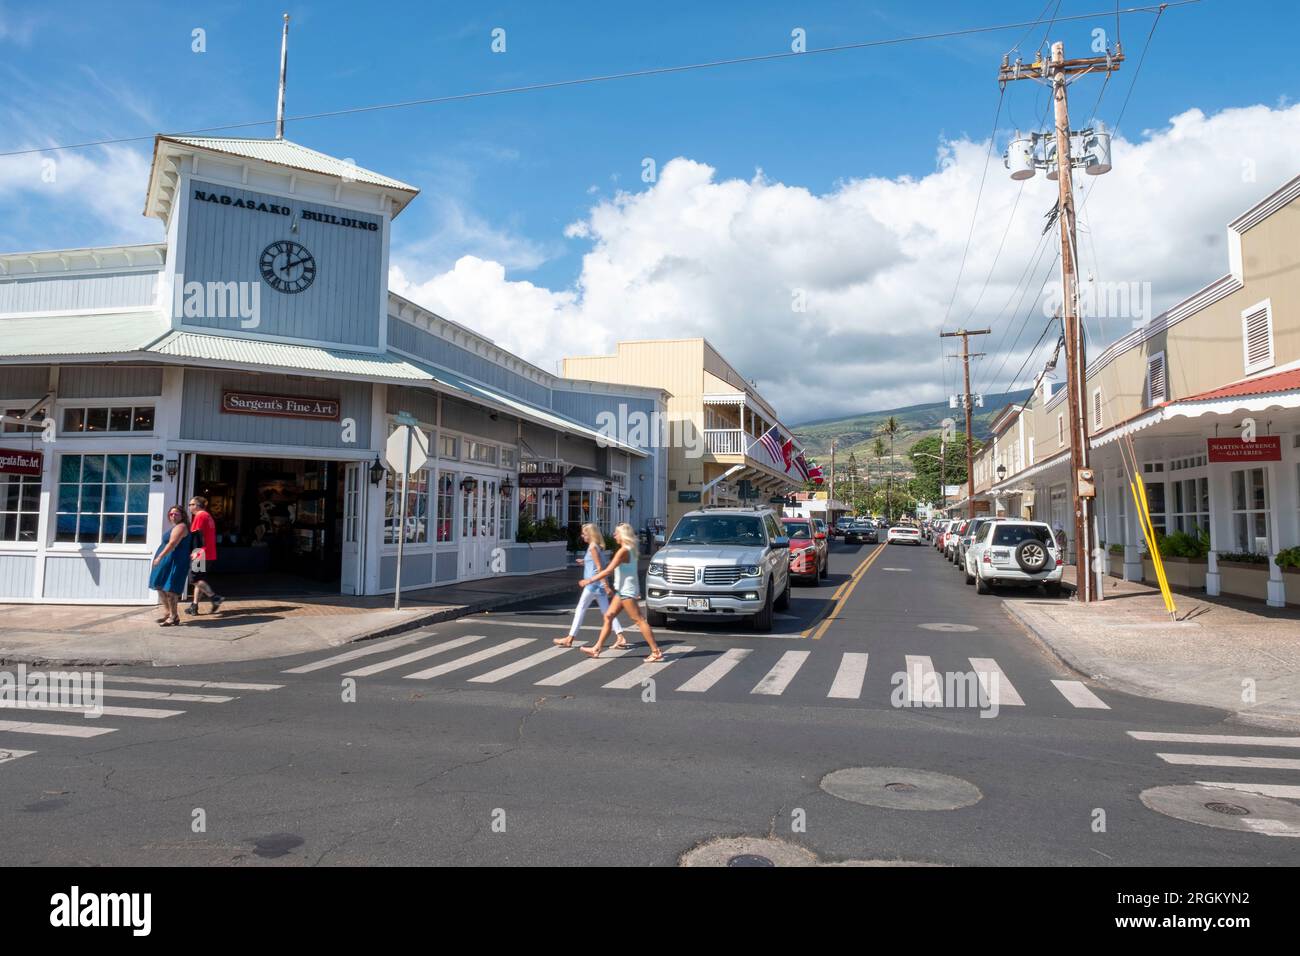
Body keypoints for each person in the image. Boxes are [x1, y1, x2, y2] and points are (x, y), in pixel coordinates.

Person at [580, 523, 663, 662]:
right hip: (622, 590)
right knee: (608, 616)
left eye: (616, 533)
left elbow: (607, 570)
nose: (614, 535)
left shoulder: (623, 551)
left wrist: (589, 580)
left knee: (639, 620)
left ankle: (656, 651)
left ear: (623, 535)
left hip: (626, 591)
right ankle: (596, 649)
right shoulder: (631, 549)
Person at [554, 524, 628, 649]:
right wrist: (585, 561)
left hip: (593, 584)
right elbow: (597, 564)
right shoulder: (596, 547)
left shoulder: (593, 547)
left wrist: (605, 585)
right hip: (598, 585)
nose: (582, 536)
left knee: (580, 609)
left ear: (591, 534)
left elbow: (599, 568)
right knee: (607, 613)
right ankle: (620, 636)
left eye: (584, 534)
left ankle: (570, 638)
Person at [149, 506, 192, 626]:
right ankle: (169, 613)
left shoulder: (181, 527)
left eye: (176, 514)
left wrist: (159, 557)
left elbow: (172, 544)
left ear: (182, 515)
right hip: (168, 559)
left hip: (176, 560)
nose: (173, 516)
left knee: (171, 588)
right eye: (171, 514)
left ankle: (174, 617)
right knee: (160, 586)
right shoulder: (175, 527)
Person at [185, 495, 225, 615]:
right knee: (200, 580)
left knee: (194, 579)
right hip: (208, 553)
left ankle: (215, 597)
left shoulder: (200, 515)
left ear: (197, 505)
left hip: (200, 553)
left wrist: (191, 551)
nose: (189, 507)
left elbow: (195, 536)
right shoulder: (208, 516)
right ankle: (195, 606)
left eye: (191, 504)